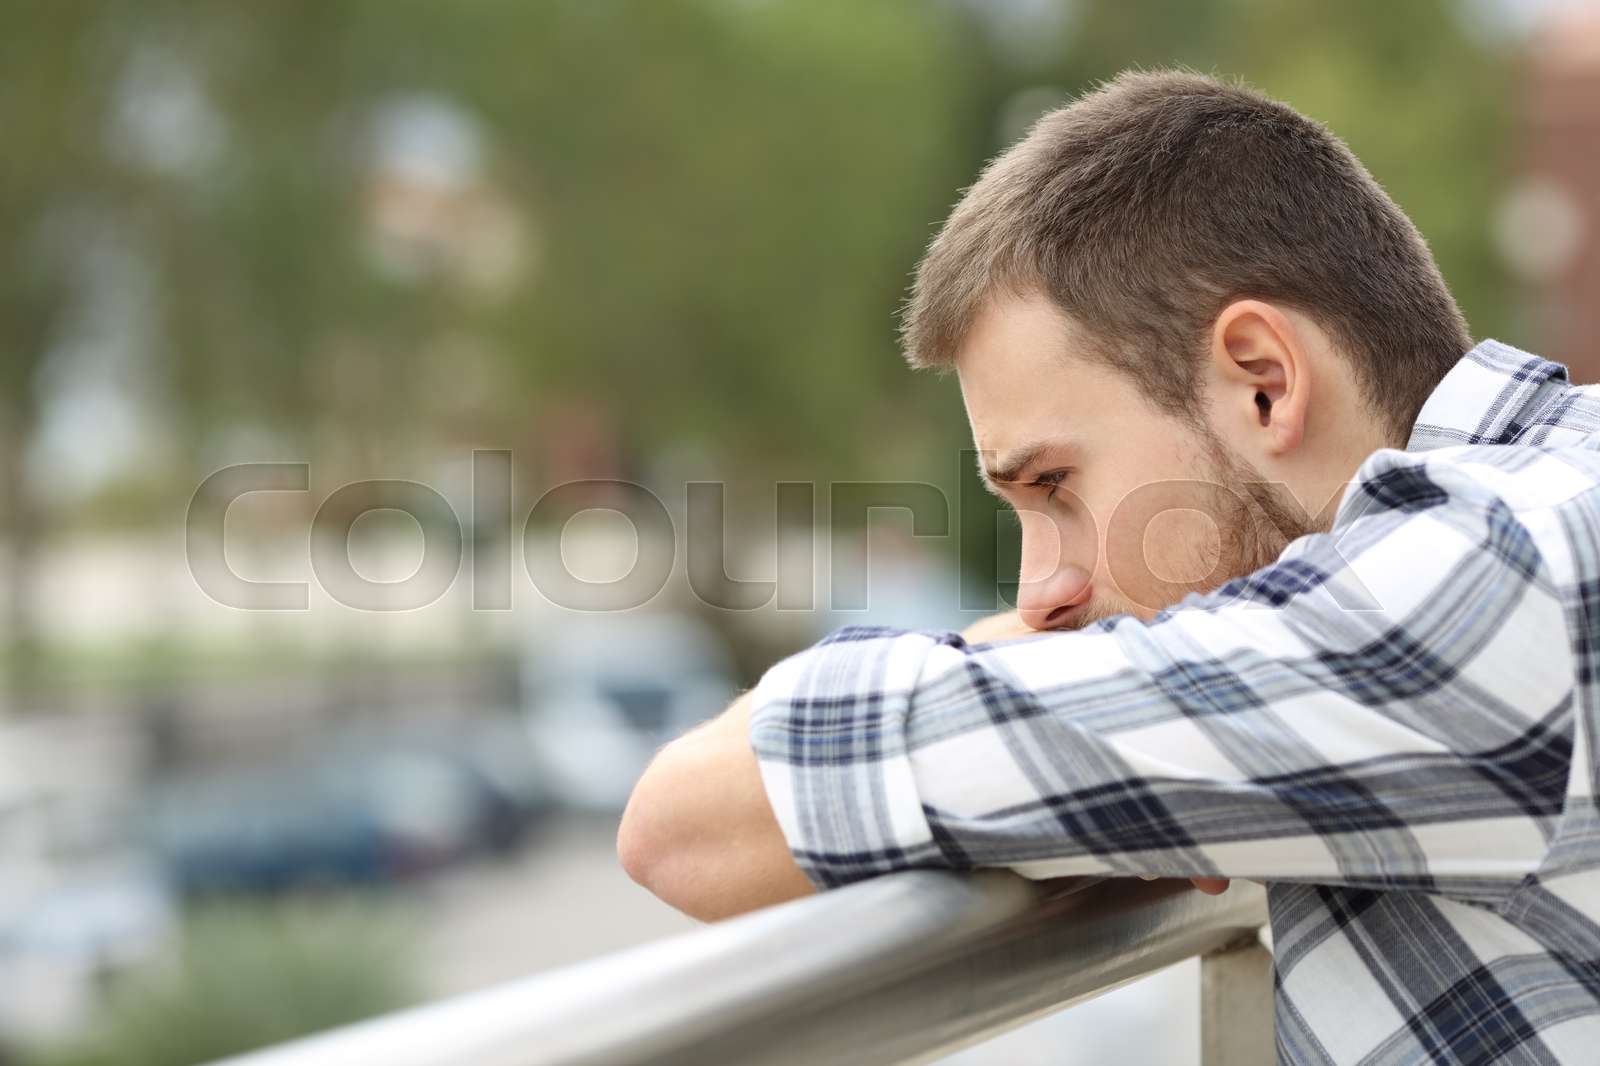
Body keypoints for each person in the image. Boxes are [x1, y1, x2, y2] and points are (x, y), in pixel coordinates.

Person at [617, 69, 1600, 1064]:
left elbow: (691, 823)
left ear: (1262, 383)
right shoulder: (1546, 511)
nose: (1040, 588)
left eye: (1055, 486)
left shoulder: (1486, 593)